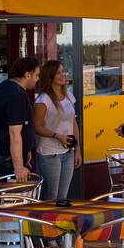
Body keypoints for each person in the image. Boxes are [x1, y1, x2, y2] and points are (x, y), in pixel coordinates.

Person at [0, 56, 40, 181]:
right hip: (5, 156)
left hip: (2, 153)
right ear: (27, 75)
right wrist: (19, 167)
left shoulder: (6, 86)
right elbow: (15, 133)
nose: (38, 79)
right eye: (36, 75)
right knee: (17, 196)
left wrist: (27, 149)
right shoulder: (16, 94)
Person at [33, 60, 81, 200]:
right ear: (50, 76)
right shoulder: (43, 100)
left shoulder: (69, 97)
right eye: (58, 72)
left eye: (63, 71)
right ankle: (46, 222)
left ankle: (60, 222)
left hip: (68, 153)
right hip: (50, 154)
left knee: (63, 197)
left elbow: (74, 124)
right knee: (51, 197)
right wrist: (57, 135)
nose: (63, 75)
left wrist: (77, 150)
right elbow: (37, 127)